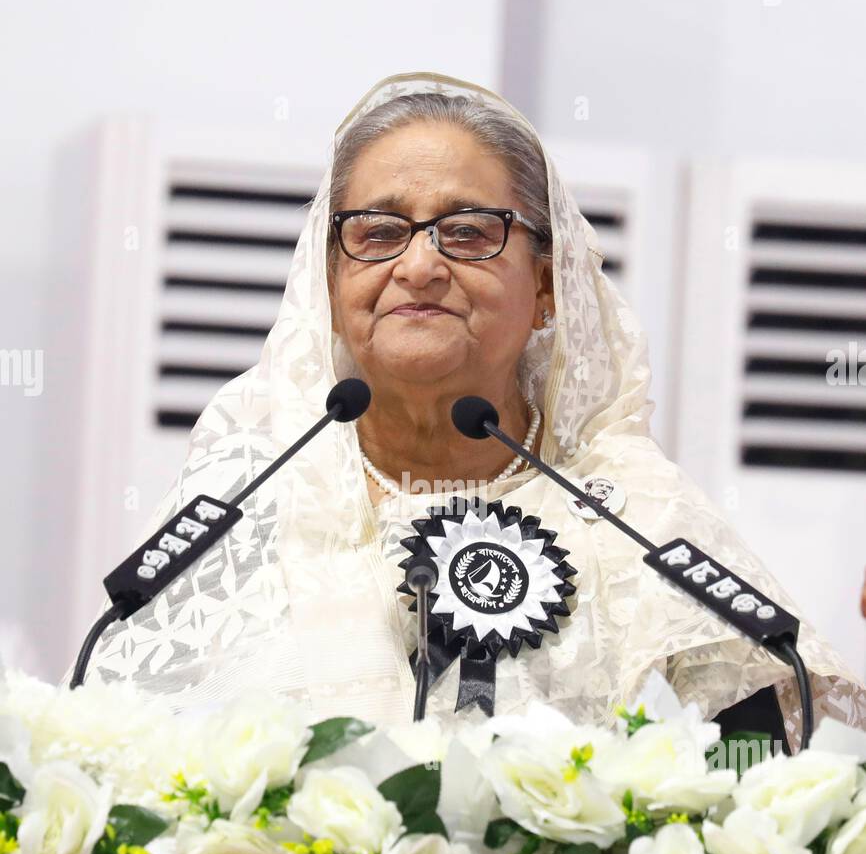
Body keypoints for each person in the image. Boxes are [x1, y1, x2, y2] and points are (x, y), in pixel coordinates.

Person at [68, 70, 866, 750]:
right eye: (378, 233)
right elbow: (119, 740)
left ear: (549, 286)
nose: (419, 266)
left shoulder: (631, 514)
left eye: (469, 231)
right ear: (331, 278)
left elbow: (753, 754)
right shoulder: (250, 490)